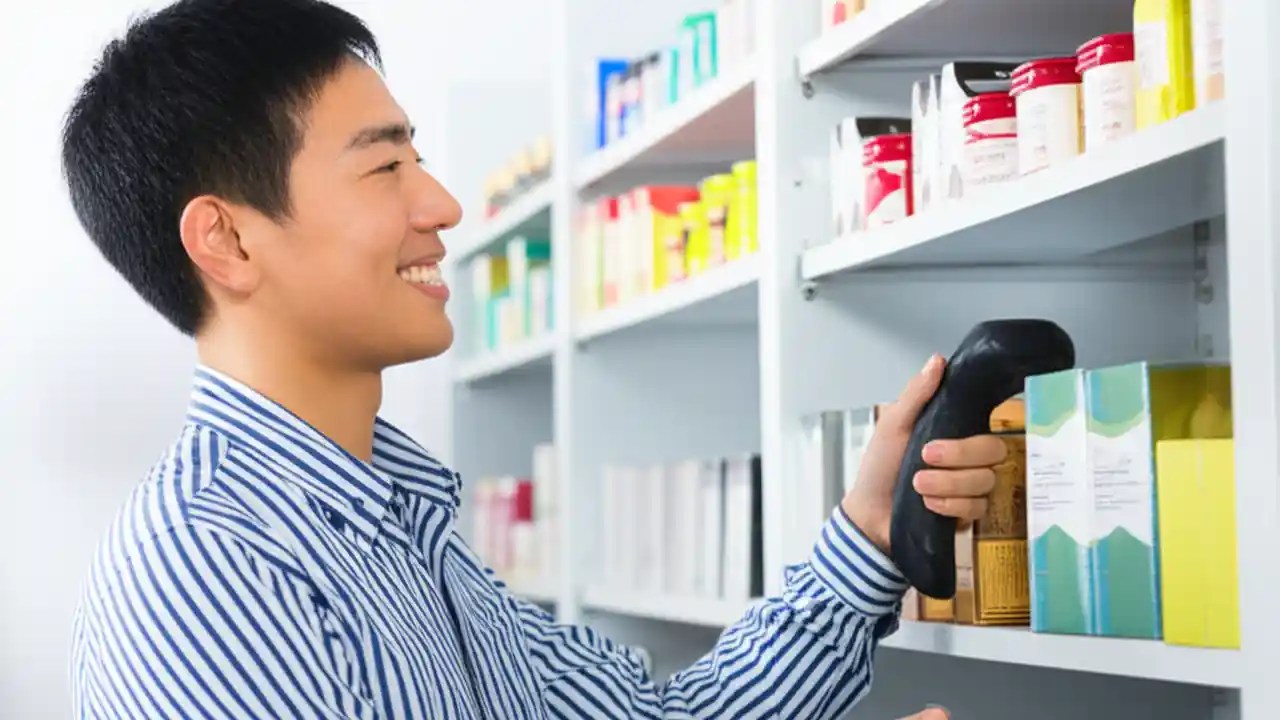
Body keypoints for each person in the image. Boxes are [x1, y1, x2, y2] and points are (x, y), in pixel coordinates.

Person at [62, 1, 1007, 718]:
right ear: (225, 241)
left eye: (417, 157)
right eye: (385, 166)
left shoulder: (400, 525)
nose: (442, 204)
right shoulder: (208, 567)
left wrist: (870, 527)